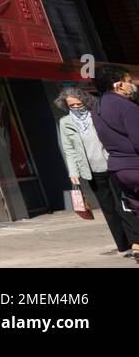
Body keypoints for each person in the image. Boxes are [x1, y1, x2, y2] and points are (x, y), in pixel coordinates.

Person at [55, 84, 139, 258]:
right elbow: (69, 149)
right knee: (108, 209)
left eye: (80, 104)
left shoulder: (96, 116)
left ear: (85, 101)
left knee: (123, 206)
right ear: (66, 105)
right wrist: (73, 173)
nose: (77, 108)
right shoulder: (65, 123)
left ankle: (135, 241)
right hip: (90, 171)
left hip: (111, 165)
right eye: (72, 106)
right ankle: (123, 246)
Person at [93, 65, 139, 261]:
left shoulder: (97, 108)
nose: (132, 85)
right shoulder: (127, 107)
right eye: (129, 81)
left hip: (118, 169)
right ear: (118, 85)